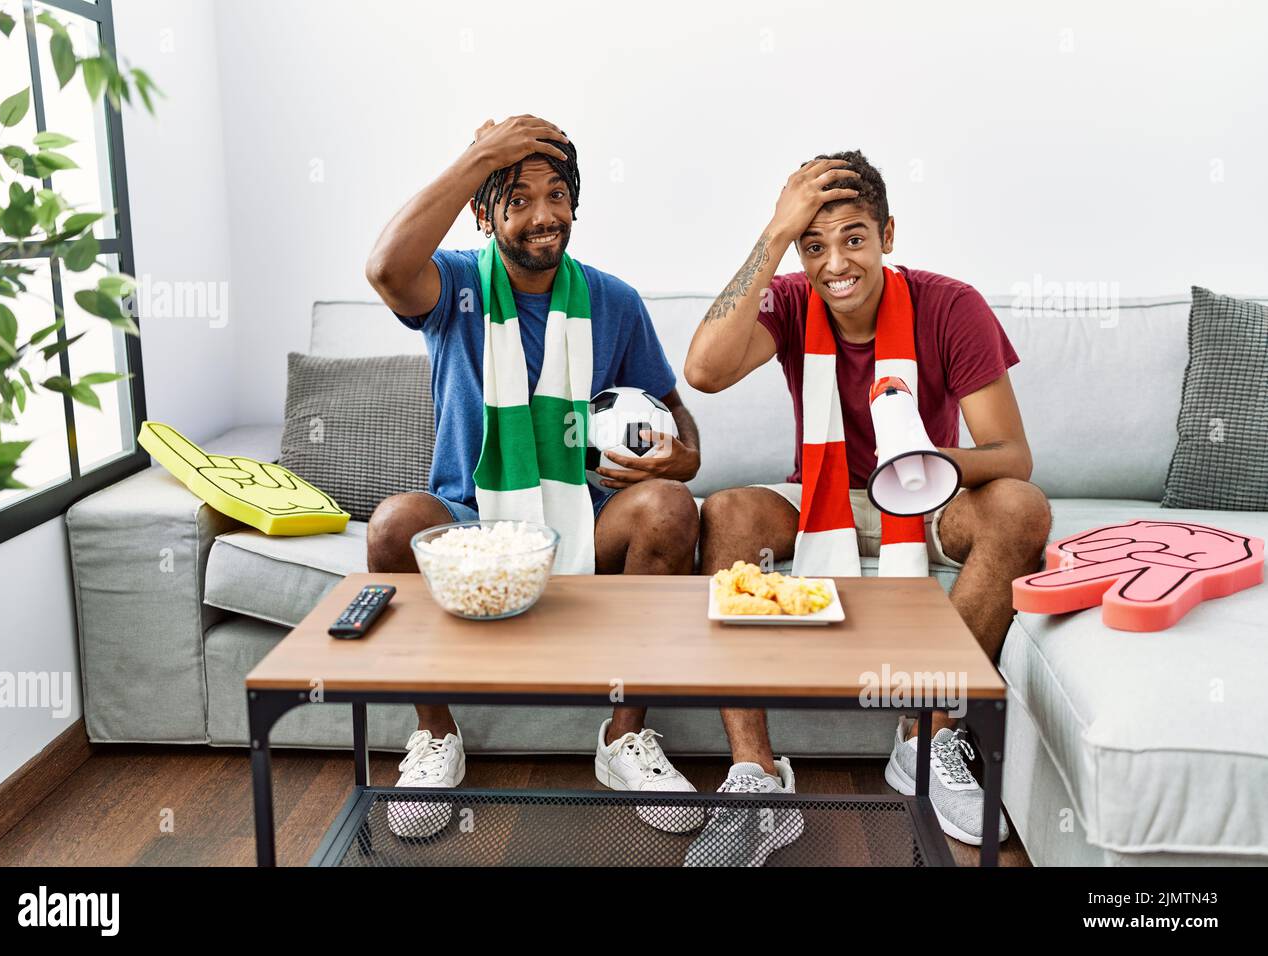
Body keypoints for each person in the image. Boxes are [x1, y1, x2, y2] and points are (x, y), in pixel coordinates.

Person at [682, 150, 1052, 864]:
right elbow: (704, 370)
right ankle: (755, 776)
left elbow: (1011, 454)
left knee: (1020, 508)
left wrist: (923, 466)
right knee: (726, 511)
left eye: (854, 237)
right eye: (813, 245)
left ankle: (925, 736)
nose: (835, 264)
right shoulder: (789, 300)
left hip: (924, 494)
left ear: (888, 233)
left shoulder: (951, 305)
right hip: (821, 496)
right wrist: (772, 235)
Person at [365, 115, 704, 838]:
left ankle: (625, 740)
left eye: (557, 195)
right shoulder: (453, 286)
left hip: (586, 514)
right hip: (471, 525)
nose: (544, 216)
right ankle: (434, 738)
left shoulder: (614, 300)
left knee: (672, 506)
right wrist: (479, 155)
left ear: (576, 206)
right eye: (518, 199)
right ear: (484, 214)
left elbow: (679, 418)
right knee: (394, 523)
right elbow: (386, 268)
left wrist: (684, 458)